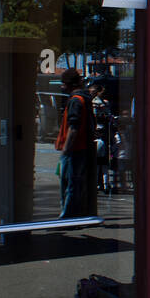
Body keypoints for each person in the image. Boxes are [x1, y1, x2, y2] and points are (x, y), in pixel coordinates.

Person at [56, 69, 97, 218]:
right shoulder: (85, 99)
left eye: (63, 84)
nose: (61, 87)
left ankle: (67, 216)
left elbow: (73, 127)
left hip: (74, 149)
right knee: (76, 183)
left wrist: (66, 149)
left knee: (69, 184)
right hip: (83, 147)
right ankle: (76, 214)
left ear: (68, 84)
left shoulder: (75, 100)